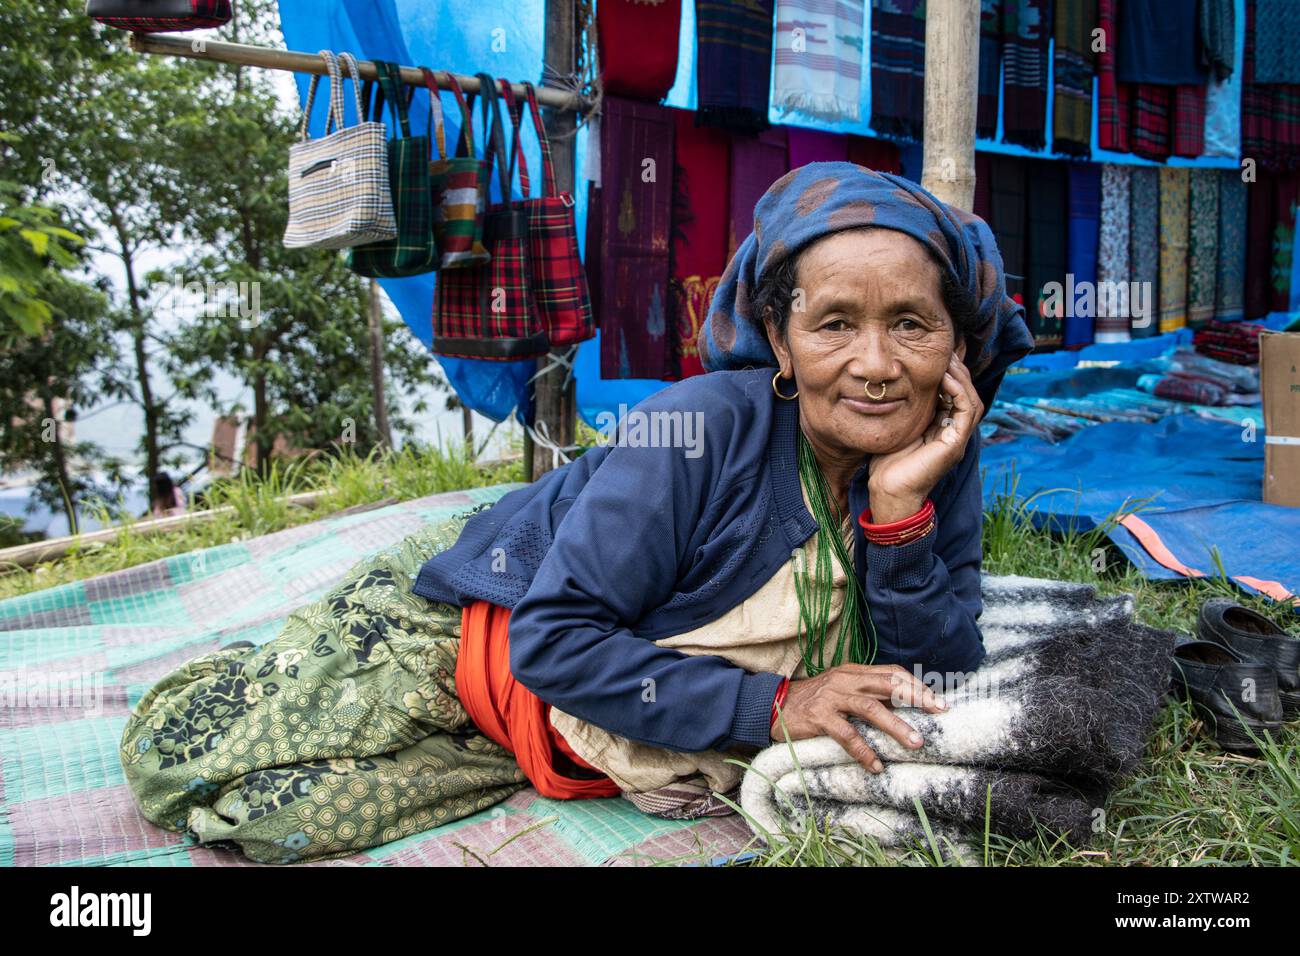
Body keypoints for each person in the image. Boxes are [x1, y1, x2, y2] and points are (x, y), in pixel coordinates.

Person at [119, 163, 1034, 863]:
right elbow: (552, 642)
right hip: (472, 624)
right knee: (191, 767)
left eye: (912, 325)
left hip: (608, 690)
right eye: (834, 323)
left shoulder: (930, 447)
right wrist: (776, 704)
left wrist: (899, 510)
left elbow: (939, 666)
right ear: (778, 343)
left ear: (955, 342)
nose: (877, 363)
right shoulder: (696, 425)